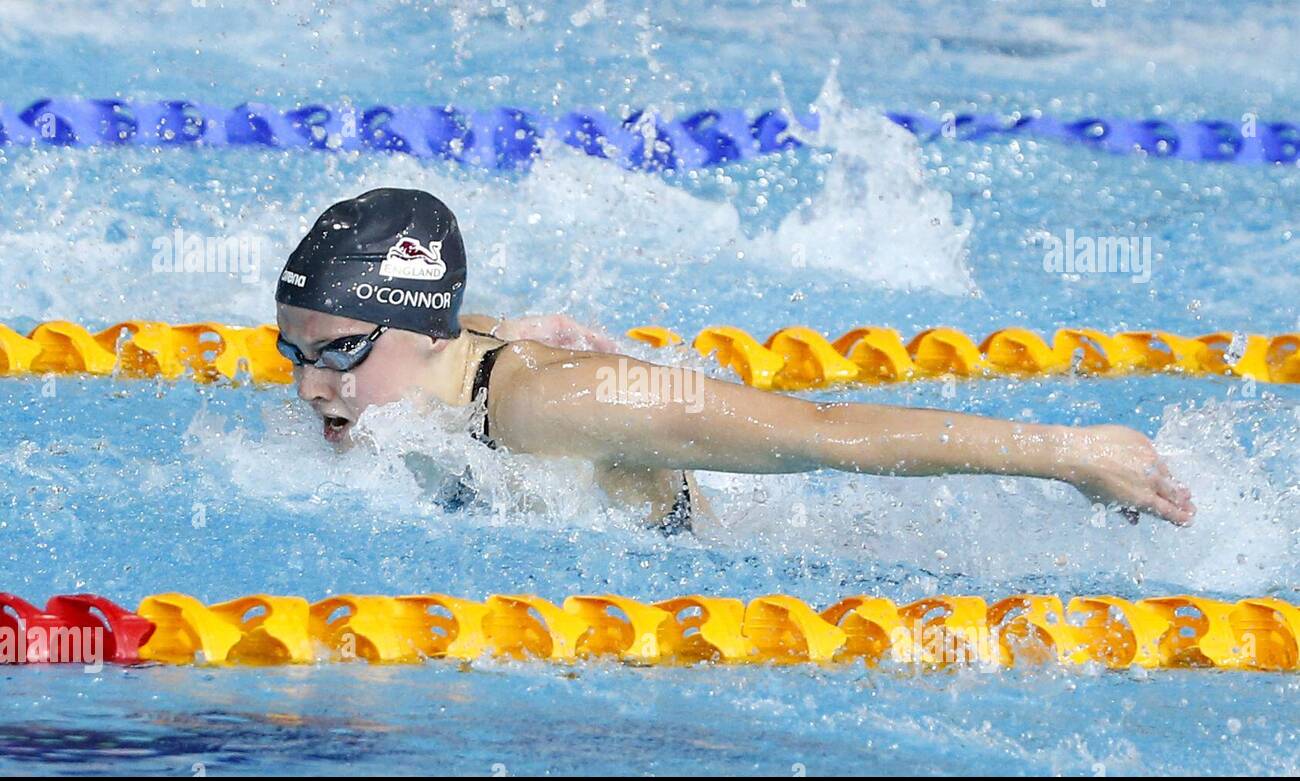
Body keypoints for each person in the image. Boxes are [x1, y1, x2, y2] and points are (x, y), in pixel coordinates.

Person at [274, 187, 1195, 535]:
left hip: (730, 554)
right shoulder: (415, 365)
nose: (315, 385)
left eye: (342, 351)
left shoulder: (564, 404)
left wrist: (1070, 451)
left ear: (425, 330)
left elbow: (823, 434)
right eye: (295, 352)